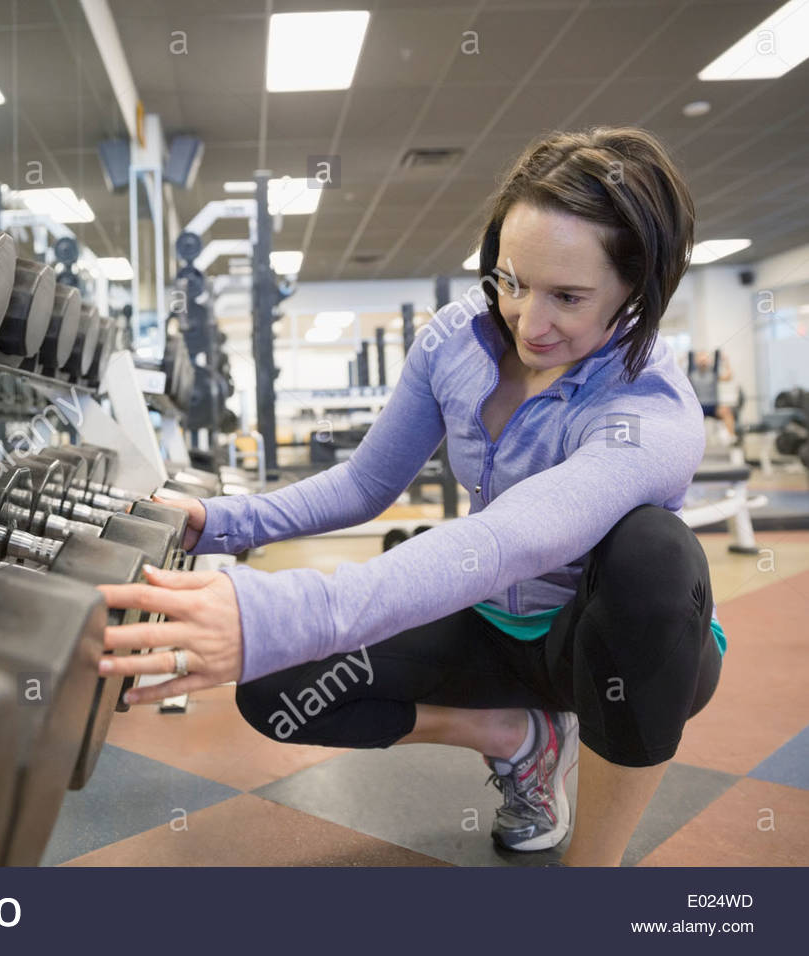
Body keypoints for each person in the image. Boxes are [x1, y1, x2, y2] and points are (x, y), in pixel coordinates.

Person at [98, 127, 725, 868]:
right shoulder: (457, 340)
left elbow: (511, 538)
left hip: (604, 649)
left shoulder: (652, 407)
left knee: (653, 553)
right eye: (511, 280)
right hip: (491, 629)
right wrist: (221, 522)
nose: (529, 319)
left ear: (635, 290)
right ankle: (520, 741)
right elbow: (366, 484)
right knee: (277, 682)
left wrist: (280, 608)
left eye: (568, 297)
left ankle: (594, 872)